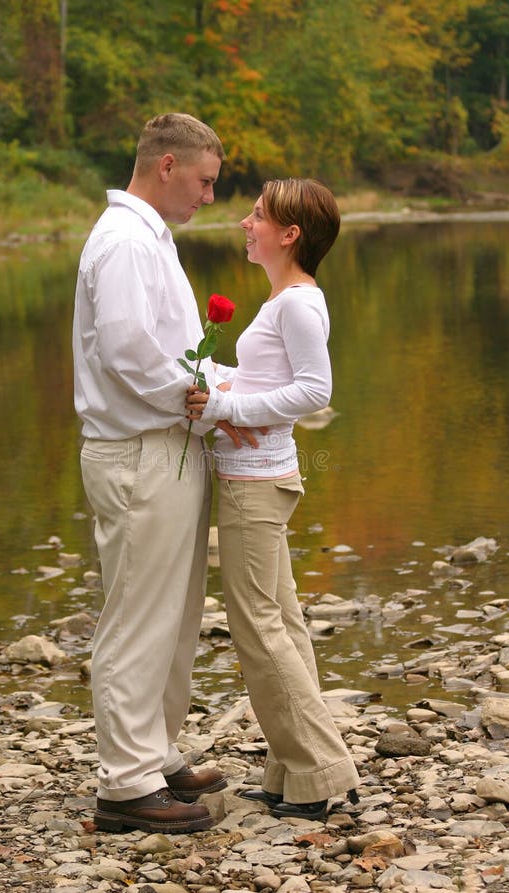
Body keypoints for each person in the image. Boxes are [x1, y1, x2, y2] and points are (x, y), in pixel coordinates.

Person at [73, 113, 242, 834]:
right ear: (167, 165)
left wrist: (223, 392)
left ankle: (154, 751)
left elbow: (168, 347)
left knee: (174, 613)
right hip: (138, 450)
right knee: (139, 614)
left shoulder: (150, 238)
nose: (209, 195)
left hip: (166, 444)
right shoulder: (122, 242)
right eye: (205, 181)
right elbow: (128, 353)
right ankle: (125, 783)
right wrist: (200, 402)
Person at [186, 178, 361, 820]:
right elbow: (271, 379)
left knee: (259, 628)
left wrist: (226, 406)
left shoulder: (297, 304)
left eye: (257, 215)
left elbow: (315, 391)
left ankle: (321, 772)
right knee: (281, 623)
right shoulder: (285, 300)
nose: (244, 222)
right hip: (258, 477)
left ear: (289, 235)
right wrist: (216, 381)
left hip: (255, 483)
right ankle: (291, 772)